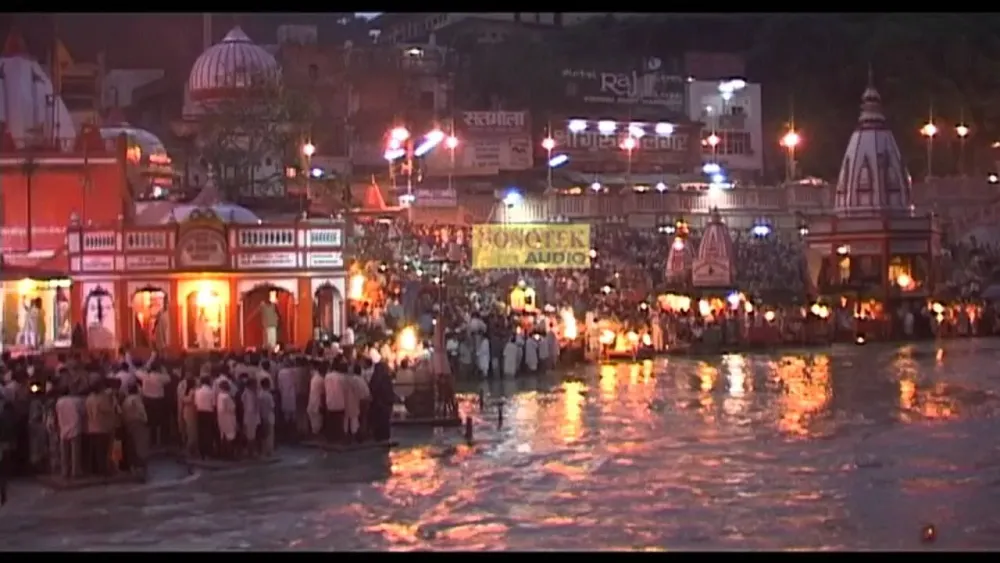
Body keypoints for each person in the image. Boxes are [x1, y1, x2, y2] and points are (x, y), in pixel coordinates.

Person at [84, 381, 116, 477]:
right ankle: (103, 470)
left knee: (94, 450)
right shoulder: (102, 398)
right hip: (102, 427)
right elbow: (107, 410)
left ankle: (94, 470)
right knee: (102, 450)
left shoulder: (89, 398)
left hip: (91, 426)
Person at [55, 388, 84, 480]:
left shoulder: (59, 402)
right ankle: (75, 471)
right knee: (75, 452)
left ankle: (65, 471)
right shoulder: (76, 401)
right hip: (75, 427)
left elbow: (56, 414)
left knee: (64, 452)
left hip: (63, 427)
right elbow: (82, 413)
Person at [121, 385, 149, 473]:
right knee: (139, 444)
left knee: (131, 445)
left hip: (127, 423)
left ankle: (132, 465)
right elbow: (141, 410)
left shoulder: (126, 400)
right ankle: (140, 465)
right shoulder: (136, 399)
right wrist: (145, 419)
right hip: (137, 422)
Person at [367, 360, 395, 443]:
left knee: (379, 422)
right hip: (383, 404)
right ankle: (384, 438)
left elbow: (372, 389)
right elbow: (389, 391)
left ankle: (379, 437)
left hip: (378, 404)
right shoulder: (386, 378)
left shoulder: (375, 378)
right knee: (384, 422)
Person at [194, 377, 217, 459]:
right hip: (209, 413)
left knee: (201, 432)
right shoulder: (211, 392)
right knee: (208, 433)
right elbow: (214, 404)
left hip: (199, 412)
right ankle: (208, 451)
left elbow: (196, 403)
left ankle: (201, 451)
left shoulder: (197, 391)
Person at [216, 381, 237, 460]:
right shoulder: (227, 397)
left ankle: (223, 453)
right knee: (230, 437)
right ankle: (229, 454)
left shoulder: (219, 395)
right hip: (228, 418)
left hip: (221, 418)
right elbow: (232, 408)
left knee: (223, 435)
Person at [241, 378, 261, 458]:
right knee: (250, 436)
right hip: (250, 417)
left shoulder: (253, 393)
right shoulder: (247, 394)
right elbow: (250, 408)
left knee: (252, 435)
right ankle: (250, 452)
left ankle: (251, 452)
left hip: (253, 417)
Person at [307, 362, 325, 438]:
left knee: (314, 419)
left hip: (312, 401)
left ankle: (314, 433)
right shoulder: (321, 380)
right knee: (317, 420)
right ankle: (316, 435)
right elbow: (322, 393)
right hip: (317, 402)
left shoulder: (315, 377)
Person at [258, 378, 276, 458]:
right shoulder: (268, 395)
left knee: (263, 435)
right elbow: (272, 406)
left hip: (261, 415)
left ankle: (263, 450)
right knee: (269, 435)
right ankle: (269, 451)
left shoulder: (259, 394)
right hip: (269, 416)